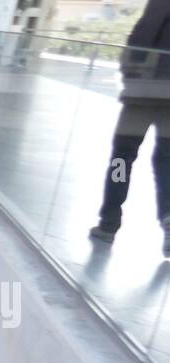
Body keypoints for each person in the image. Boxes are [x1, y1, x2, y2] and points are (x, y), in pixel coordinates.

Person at [90, 0, 170, 253]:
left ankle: (108, 223)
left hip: (141, 95)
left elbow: (138, 41)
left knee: (121, 160)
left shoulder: (158, 5)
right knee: (167, 162)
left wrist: (129, 76)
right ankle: (169, 220)